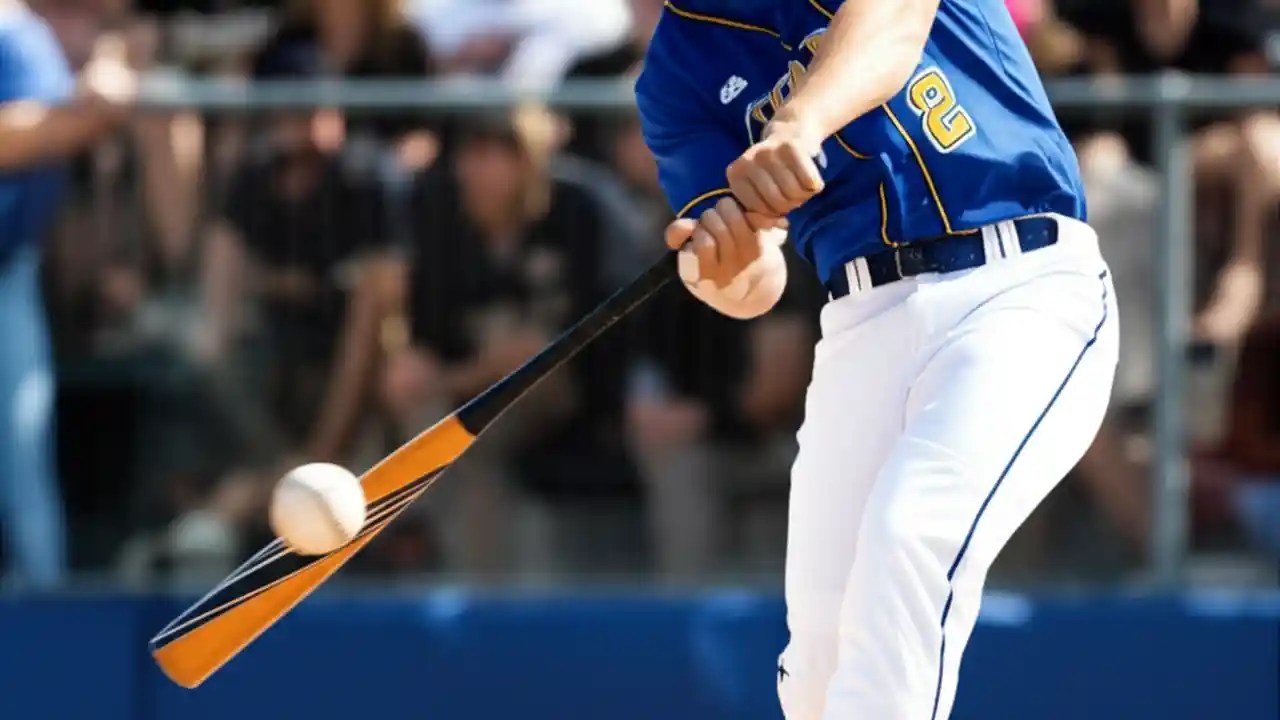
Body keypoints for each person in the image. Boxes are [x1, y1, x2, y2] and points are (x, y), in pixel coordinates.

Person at [635, 1, 1119, 717]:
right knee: (818, 660)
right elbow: (754, 285)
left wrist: (798, 122)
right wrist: (720, 264)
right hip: (862, 319)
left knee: (909, 537)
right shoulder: (674, 74)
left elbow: (890, 29)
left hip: (1019, 283)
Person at [0, 0, 135, 589]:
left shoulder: (22, 30)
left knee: (21, 451)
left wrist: (106, 73)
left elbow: (106, 89)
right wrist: (65, 122)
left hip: (9, 273)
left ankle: (41, 602)